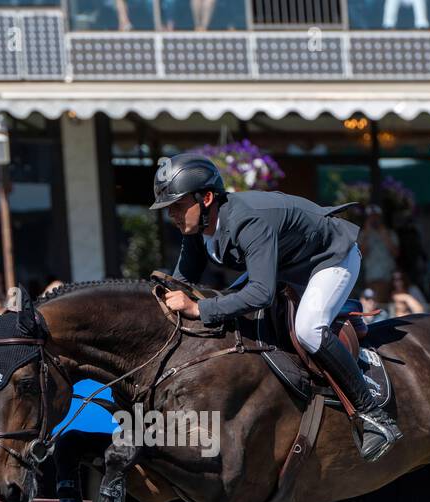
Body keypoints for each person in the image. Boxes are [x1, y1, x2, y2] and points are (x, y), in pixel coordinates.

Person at [153, 152, 401, 462]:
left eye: (177, 206)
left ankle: (373, 415)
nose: (172, 215)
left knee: (309, 330)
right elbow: (184, 277)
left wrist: (199, 310)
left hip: (329, 258)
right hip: (287, 264)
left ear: (205, 198)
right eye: (169, 209)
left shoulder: (248, 220)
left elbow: (260, 293)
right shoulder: (198, 228)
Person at [358, 204, 398, 291]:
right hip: (370, 275)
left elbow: (395, 253)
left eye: (376, 217)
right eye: (371, 217)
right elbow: (361, 254)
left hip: (387, 275)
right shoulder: (363, 235)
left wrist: (384, 235)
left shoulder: (390, 233)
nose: (374, 220)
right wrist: (367, 233)